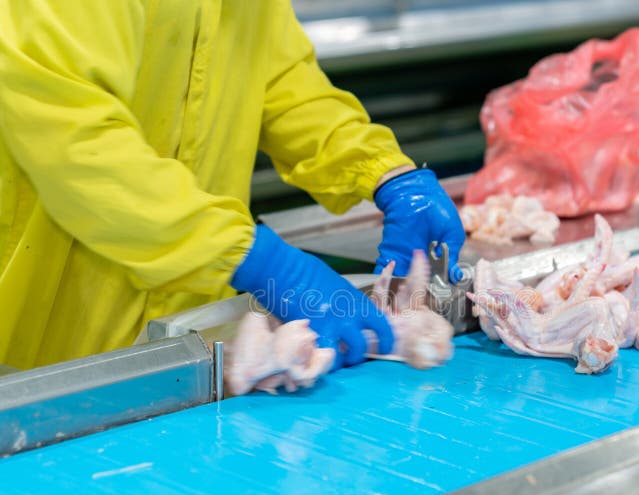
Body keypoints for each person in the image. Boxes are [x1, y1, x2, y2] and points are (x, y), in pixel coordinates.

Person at [0, 1, 465, 371]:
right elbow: (70, 135)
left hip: (186, 320)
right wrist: (246, 255)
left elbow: (282, 80)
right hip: (35, 332)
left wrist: (385, 172)